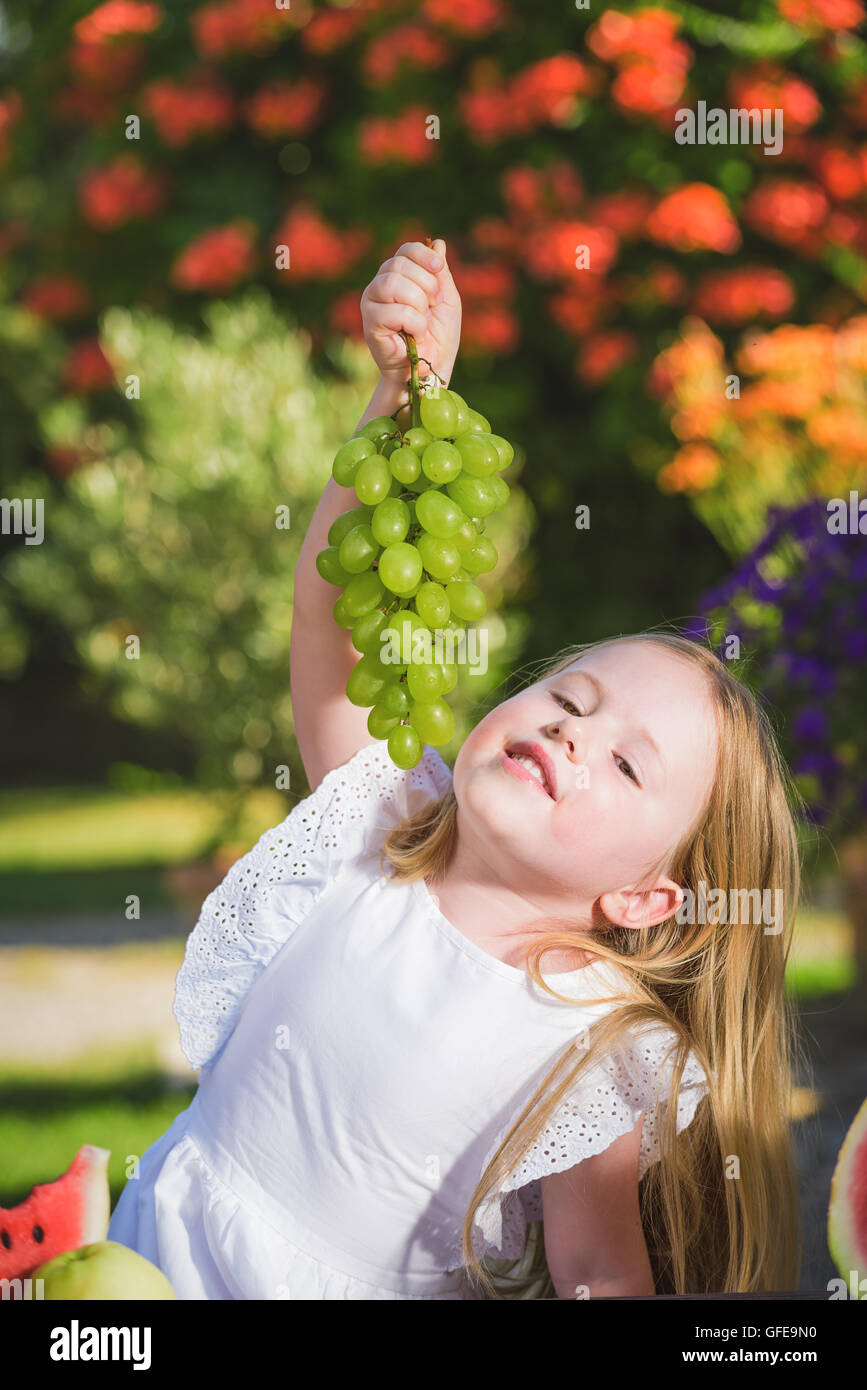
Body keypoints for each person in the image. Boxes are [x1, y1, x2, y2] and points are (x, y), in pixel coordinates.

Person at [108, 239, 806, 1299]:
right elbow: (329, 627)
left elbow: (597, 1273)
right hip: (139, 1266)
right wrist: (400, 402)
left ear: (648, 895)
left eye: (623, 761)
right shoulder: (385, 820)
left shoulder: (594, 1040)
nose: (573, 732)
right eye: (569, 699)